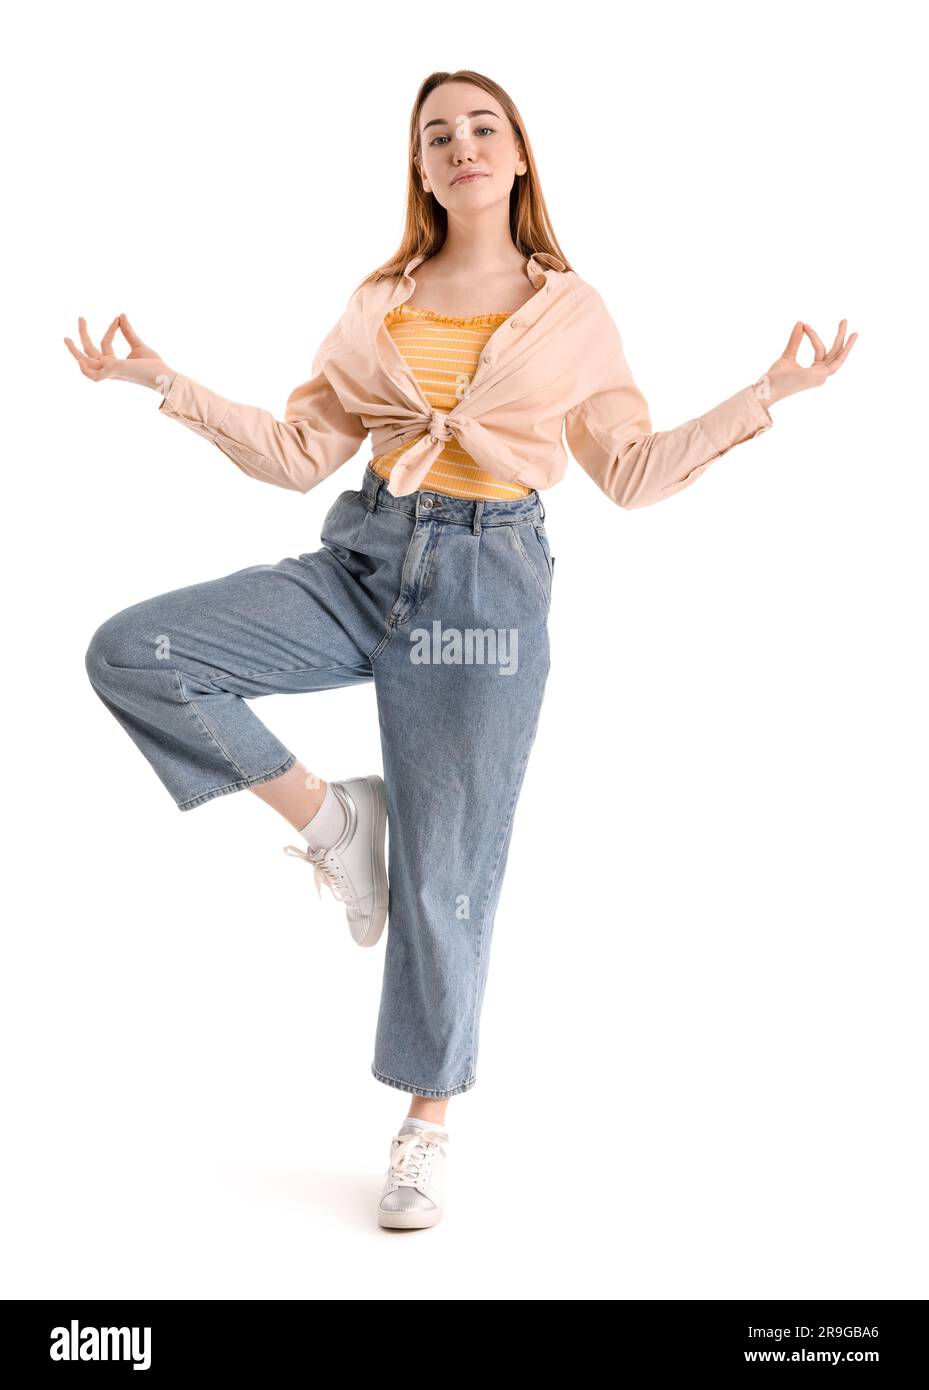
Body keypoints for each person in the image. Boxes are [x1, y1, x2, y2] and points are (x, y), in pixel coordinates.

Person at [65, 69, 856, 1232]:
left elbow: (629, 474)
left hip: (484, 590)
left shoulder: (570, 310)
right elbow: (297, 451)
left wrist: (767, 393)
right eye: (438, 134)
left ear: (518, 155)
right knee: (138, 650)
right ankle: (336, 823)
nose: (462, 145)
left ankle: (424, 1127)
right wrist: (163, 382)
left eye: (482, 127)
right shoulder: (376, 300)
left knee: (446, 876)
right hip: (363, 557)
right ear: (421, 169)